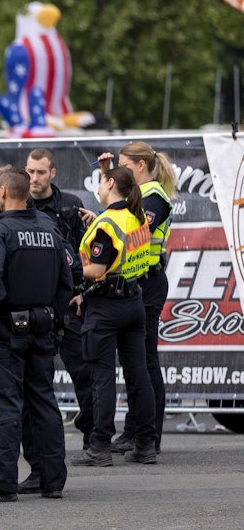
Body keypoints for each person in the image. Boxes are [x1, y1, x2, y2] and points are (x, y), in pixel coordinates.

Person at [0, 170, 71, 502]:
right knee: (44, 402)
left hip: (6, 330)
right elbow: (67, 281)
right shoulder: (50, 229)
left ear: (4, 191)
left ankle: (3, 482)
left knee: (6, 405)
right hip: (43, 327)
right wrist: (56, 320)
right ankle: (52, 479)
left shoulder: (0, 232)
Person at [71, 166, 156, 467]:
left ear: (109, 183)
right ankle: (146, 443)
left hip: (107, 307)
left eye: (101, 179)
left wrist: (64, 266)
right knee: (138, 374)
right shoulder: (136, 215)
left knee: (102, 378)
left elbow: (95, 269)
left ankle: (100, 447)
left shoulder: (108, 222)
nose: (98, 185)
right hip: (133, 300)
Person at [98, 142, 175, 454]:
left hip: (150, 282)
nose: (120, 171)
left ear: (140, 166)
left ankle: (149, 434)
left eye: (124, 165)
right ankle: (135, 430)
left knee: (146, 361)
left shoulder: (155, 196)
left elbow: (137, 226)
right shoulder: (140, 195)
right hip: (136, 284)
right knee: (134, 362)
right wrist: (108, 179)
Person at [26, 149, 93, 463]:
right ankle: (39, 448)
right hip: (33, 302)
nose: (34, 179)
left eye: (40, 172)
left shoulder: (70, 205)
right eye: (29, 172)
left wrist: (81, 291)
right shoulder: (18, 205)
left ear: (52, 173)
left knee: (82, 369)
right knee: (37, 375)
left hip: (67, 300)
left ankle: (93, 435)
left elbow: (85, 253)